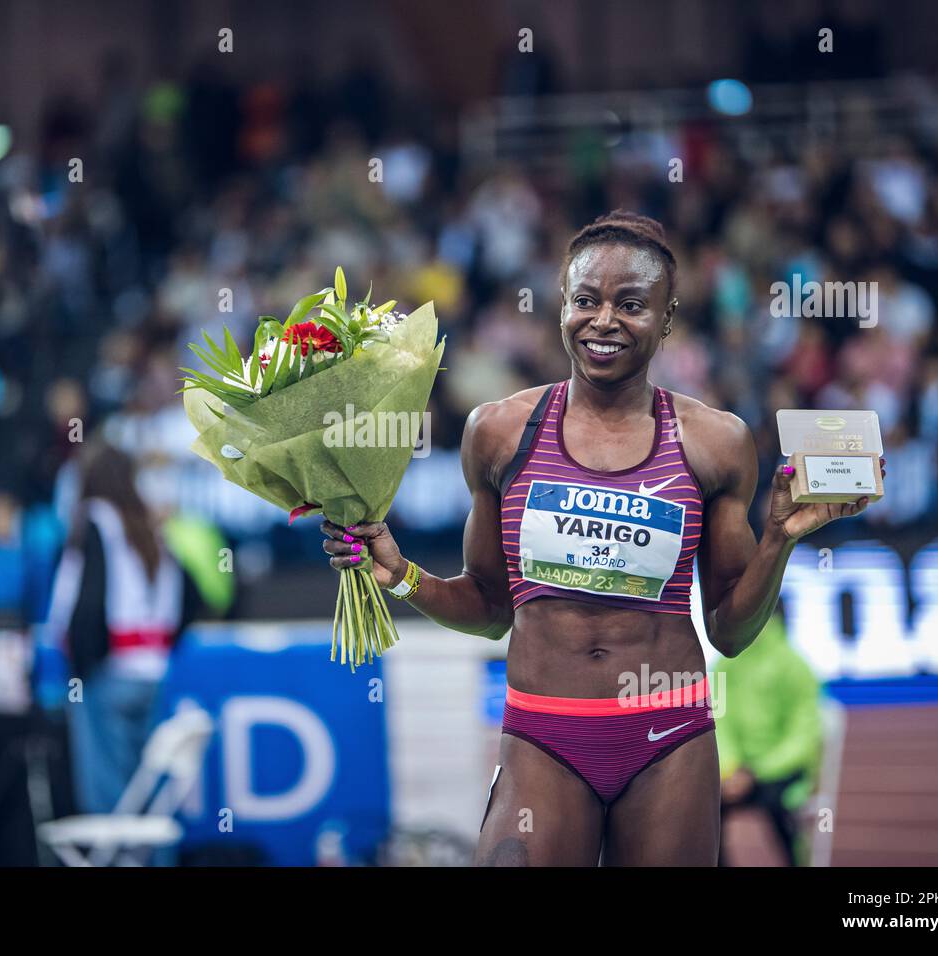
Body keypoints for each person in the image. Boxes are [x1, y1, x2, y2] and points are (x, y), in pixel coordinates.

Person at [322, 210, 883, 866]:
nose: (604, 320)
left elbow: (730, 629)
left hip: (668, 738)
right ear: (563, 306)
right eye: (586, 299)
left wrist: (779, 539)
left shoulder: (716, 442)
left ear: (668, 318)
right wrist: (402, 577)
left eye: (632, 304)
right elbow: (490, 606)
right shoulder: (498, 433)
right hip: (544, 736)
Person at [49, 443, 228, 815]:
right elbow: (193, 598)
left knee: (109, 798)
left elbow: (87, 601)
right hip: (151, 674)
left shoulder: (97, 519)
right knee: (147, 793)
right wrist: (158, 648)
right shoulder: (153, 526)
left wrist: (83, 669)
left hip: (108, 674)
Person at [714, 613, 824, 866]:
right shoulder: (724, 664)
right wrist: (730, 767)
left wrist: (756, 771)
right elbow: (719, 721)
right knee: (705, 807)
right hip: (735, 772)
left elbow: (804, 734)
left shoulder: (794, 665)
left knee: (781, 809)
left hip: (783, 771)